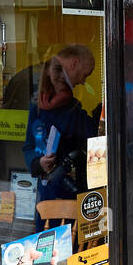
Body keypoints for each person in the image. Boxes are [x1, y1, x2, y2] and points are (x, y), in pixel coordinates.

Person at [23, 45, 100, 229]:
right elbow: (29, 146)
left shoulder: (67, 107)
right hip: (54, 194)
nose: (82, 82)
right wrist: (38, 162)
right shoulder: (42, 108)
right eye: (85, 74)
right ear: (74, 63)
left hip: (66, 192)